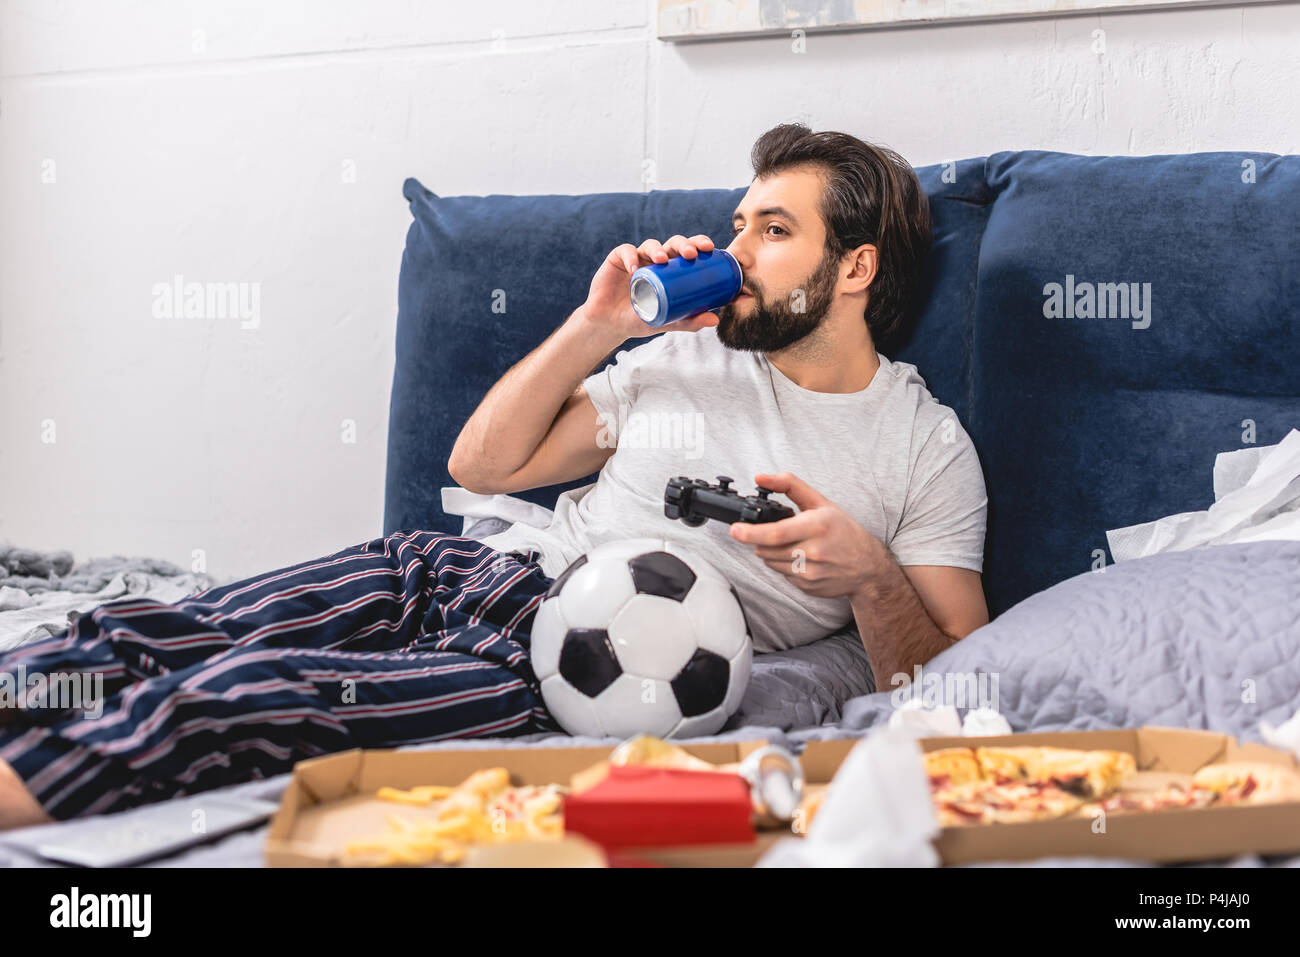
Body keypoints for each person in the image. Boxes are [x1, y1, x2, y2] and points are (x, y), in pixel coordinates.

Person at [0, 123, 988, 830]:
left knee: (246, 692)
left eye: (772, 231)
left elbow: (961, 677)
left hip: (567, 666)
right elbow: (483, 465)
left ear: (852, 270)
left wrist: (868, 578)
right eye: (737, 225)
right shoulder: (685, 360)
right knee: (153, 630)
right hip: (463, 566)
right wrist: (601, 323)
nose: (734, 253)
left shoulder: (920, 447)